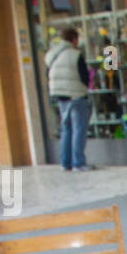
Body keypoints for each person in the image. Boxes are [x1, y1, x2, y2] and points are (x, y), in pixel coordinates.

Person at [45, 26, 92, 171]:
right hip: (76, 95)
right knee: (79, 129)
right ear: (74, 39)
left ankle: (65, 163)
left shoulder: (51, 54)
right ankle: (78, 162)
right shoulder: (75, 54)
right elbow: (85, 77)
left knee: (66, 130)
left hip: (60, 96)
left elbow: (49, 74)